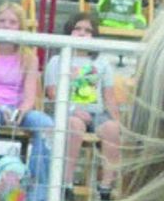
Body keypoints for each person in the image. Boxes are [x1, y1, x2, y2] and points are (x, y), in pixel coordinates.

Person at [0, 2, 54, 201]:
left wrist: (22, 110)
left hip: (19, 107)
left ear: (20, 26)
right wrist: (1, 107)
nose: (7, 25)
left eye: (12, 22)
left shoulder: (29, 57)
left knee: (47, 125)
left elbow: (30, 95)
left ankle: (37, 194)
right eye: (2, 21)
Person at [45, 13, 122, 201]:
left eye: (88, 31)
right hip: (68, 112)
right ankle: (67, 184)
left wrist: (118, 121)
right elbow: (52, 93)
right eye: (77, 29)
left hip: (97, 114)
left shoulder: (102, 63)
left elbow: (109, 97)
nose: (82, 33)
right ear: (69, 32)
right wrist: (72, 109)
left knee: (113, 128)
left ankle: (105, 188)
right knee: (74, 124)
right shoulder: (58, 60)